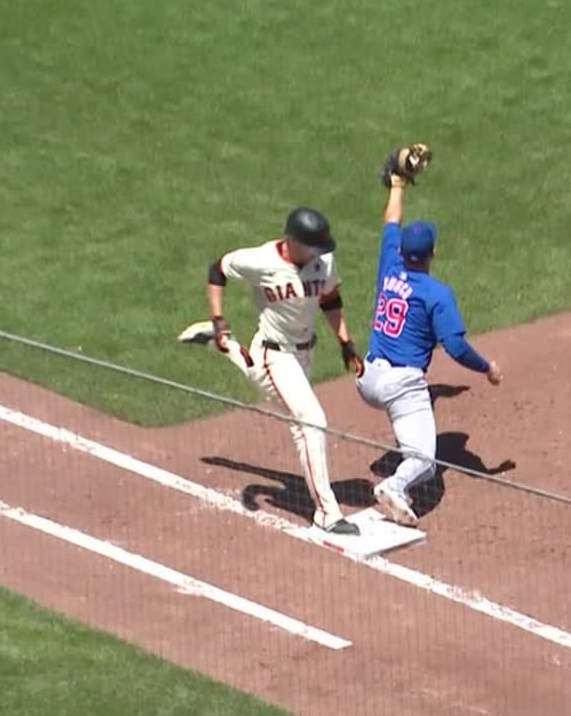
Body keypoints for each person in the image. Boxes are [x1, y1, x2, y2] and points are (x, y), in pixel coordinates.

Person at [178, 206, 366, 536]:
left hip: (307, 354)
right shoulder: (262, 261)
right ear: (292, 241)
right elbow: (217, 269)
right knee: (311, 422)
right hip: (274, 354)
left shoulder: (324, 261)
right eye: (310, 247)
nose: (316, 255)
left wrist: (346, 343)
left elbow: (330, 299)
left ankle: (221, 344)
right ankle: (327, 513)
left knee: (297, 419)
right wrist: (220, 316)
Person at [356, 150, 502, 527]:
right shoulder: (437, 295)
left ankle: (398, 470)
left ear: (403, 251)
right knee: (424, 462)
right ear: (433, 253)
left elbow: (392, 218)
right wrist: (487, 368)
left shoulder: (390, 261)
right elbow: (455, 347)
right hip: (400, 385)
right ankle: (396, 485)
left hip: (367, 377)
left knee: (415, 431)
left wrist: (397, 184)